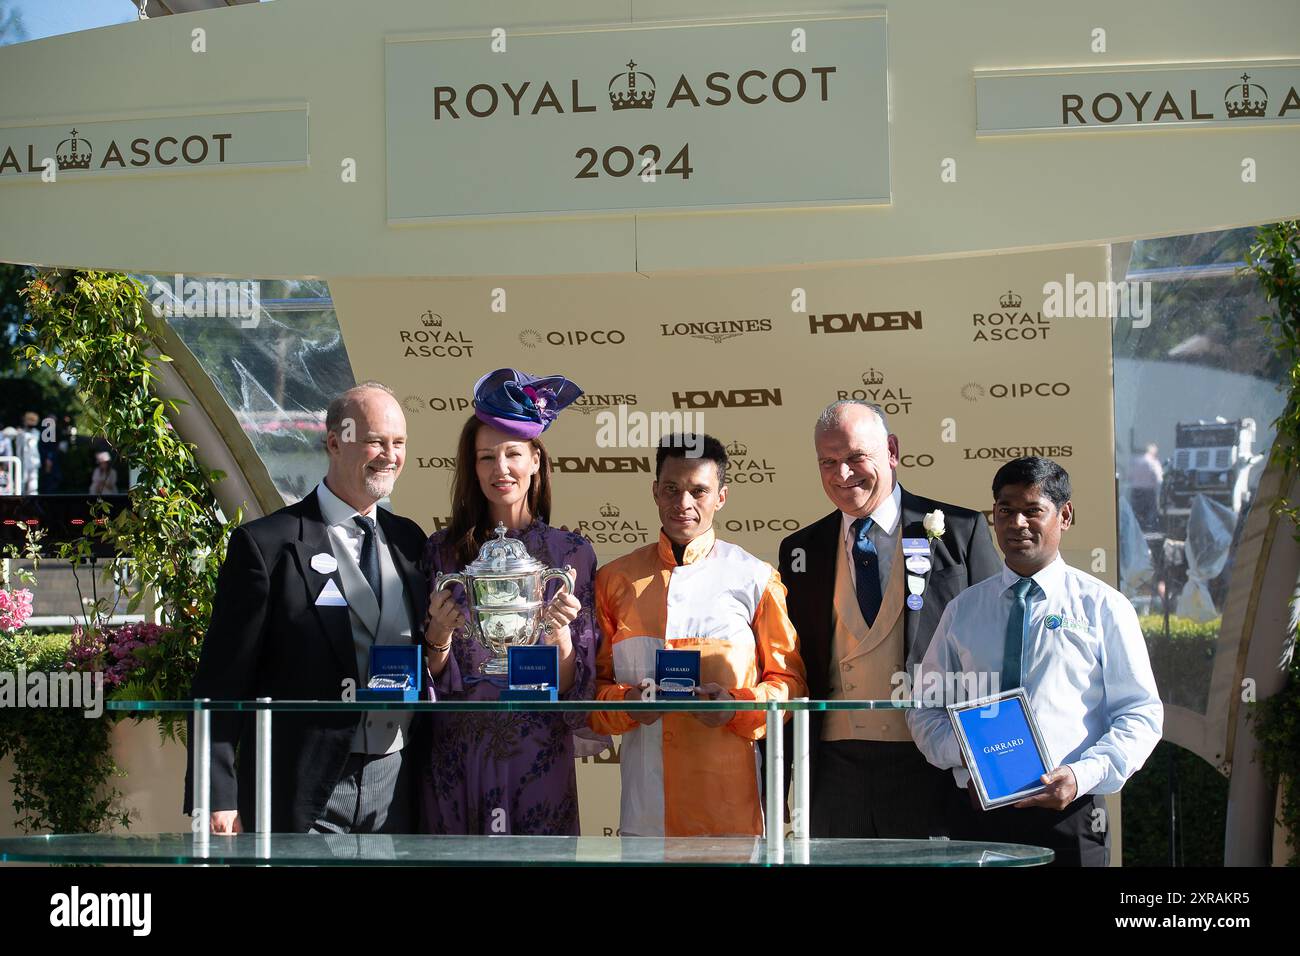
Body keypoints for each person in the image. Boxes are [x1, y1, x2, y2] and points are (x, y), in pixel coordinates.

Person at [185, 382, 430, 833]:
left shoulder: (410, 541)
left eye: (399, 443)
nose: (389, 455)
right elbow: (221, 681)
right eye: (375, 440)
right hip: (302, 785)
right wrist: (214, 795)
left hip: (396, 782)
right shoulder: (266, 546)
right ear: (334, 442)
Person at [907, 456, 1163, 866]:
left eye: (1033, 511)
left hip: (1070, 814)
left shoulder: (1103, 607)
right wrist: (969, 757)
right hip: (977, 816)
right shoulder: (963, 610)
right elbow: (926, 708)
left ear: (1065, 515)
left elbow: (1139, 713)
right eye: (1005, 511)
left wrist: (1082, 776)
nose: (1017, 523)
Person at [776, 400, 1001, 838]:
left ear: (892, 450)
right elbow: (789, 664)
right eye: (829, 462)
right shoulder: (800, 548)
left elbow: (993, 651)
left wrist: (992, 762)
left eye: (856, 457)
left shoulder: (960, 530)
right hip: (831, 770)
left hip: (934, 763)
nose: (843, 475)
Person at [591, 433, 806, 837]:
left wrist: (735, 708)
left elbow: (789, 687)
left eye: (698, 491)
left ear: (722, 496)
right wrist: (628, 704)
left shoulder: (755, 578)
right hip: (644, 814)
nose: (683, 504)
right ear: (654, 491)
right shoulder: (612, 581)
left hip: (730, 814)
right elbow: (593, 696)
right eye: (671, 489)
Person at [419, 368, 598, 835]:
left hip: (538, 754)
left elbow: (575, 690)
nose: (501, 469)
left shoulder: (572, 554)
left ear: (536, 460)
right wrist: (437, 638)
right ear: (471, 467)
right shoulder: (441, 551)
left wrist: (559, 635)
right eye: (486, 457)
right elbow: (426, 684)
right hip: (456, 754)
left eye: (513, 454)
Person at [1128, 443, 1163, 531]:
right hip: (1149, 491)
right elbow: (1159, 479)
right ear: (1154, 453)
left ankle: (1136, 530)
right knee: (1151, 513)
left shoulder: (1136, 461)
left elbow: (1129, 476)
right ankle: (1150, 531)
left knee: (1136, 513)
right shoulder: (1154, 462)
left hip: (1136, 490)